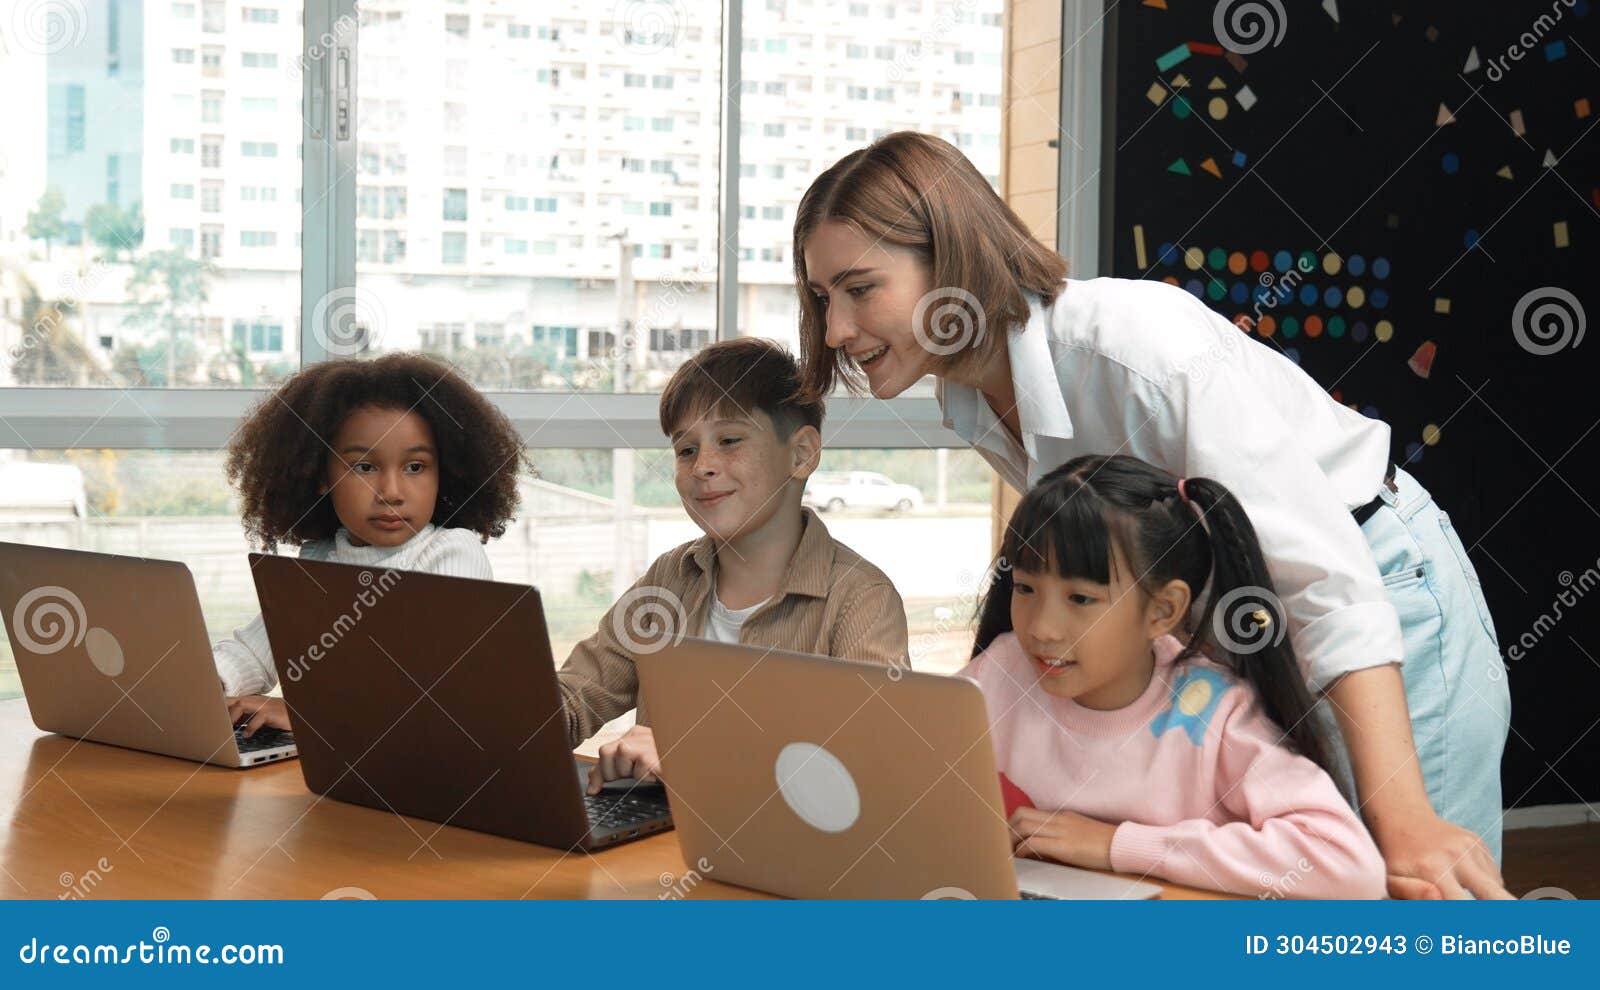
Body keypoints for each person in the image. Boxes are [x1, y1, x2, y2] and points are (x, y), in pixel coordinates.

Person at [794, 130, 1510, 899]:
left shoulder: (1135, 345)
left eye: (860, 289)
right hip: (1243, 617)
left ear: (953, 259)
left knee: (1421, 899)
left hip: (1373, 587)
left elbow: (1324, 578)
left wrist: (1405, 818)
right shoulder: (968, 396)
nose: (836, 331)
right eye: (823, 298)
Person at [962, 455, 1386, 898]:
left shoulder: (1214, 712)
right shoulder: (999, 673)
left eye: (1081, 599)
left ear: (1162, 611)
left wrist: (1117, 845)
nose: (1042, 628)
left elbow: (1348, 866)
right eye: (1026, 588)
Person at [561, 337, 909, 793]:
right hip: (660, 831)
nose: (702, 466)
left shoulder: (860, 599)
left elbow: (870, 763)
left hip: (780, 839)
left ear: (802, 454)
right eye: (686, 450)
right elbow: (575, 699)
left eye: (729, 441)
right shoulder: (669, 579)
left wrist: (690, 755)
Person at [217, 353, 527, 734]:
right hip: (335, 751)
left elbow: (430, 689)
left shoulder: (453, 554)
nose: (391, 492)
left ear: (444, 474)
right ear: (319, 474)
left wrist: (305, 713)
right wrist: (206, 684)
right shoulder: (319, 558)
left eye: (415, 467)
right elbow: (254, 652)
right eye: (364, 467)